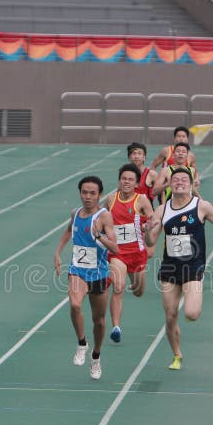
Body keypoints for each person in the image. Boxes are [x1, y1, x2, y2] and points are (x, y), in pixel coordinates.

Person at [144, 166, 213, 371]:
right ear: (170, 185)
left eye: (184, 179)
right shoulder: (162, 210)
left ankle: (193, 294)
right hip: (170, 267)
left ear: (191, 184)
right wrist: (148, 231)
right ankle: (177, 355)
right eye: (176, 180)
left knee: (191, 313)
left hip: (193, 267)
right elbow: (150, 241)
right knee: (171, 315)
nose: (179, 182)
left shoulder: (202, 206)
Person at [54, 176, 119, 380]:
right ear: (80, 193)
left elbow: (115, 247)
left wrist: (98, 236)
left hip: (98, 273)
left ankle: (96, 356)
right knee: (74, 305)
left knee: (99, 321)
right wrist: (58, 252)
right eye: (84, 192)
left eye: (92, 193)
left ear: (99, 195)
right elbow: (68, 231)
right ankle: (82, 343)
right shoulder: (75, 213)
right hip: (78, 270)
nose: (88, 196)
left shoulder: (104, 217)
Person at [102, 163, 154, 343]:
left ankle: (134, 282)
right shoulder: (110, 199)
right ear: (119, 181)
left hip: (137, 253)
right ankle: (116, 327)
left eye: (130, 179)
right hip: (117, 253)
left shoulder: (141, 200)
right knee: (118, 287)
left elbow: (153, 220)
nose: (126, 182)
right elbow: (101, 216)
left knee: (139, 291)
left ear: (137, 183)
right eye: (124, 178)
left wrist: (149, 229)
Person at [128, 142, 157, 206]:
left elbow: (161, 193)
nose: (136, 156)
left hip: (145, 212)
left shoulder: (151, 174)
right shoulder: (125, 174)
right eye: (134, 153)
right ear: (129, 157)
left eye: (139, 153)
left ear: (144, 157)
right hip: (129, 211)